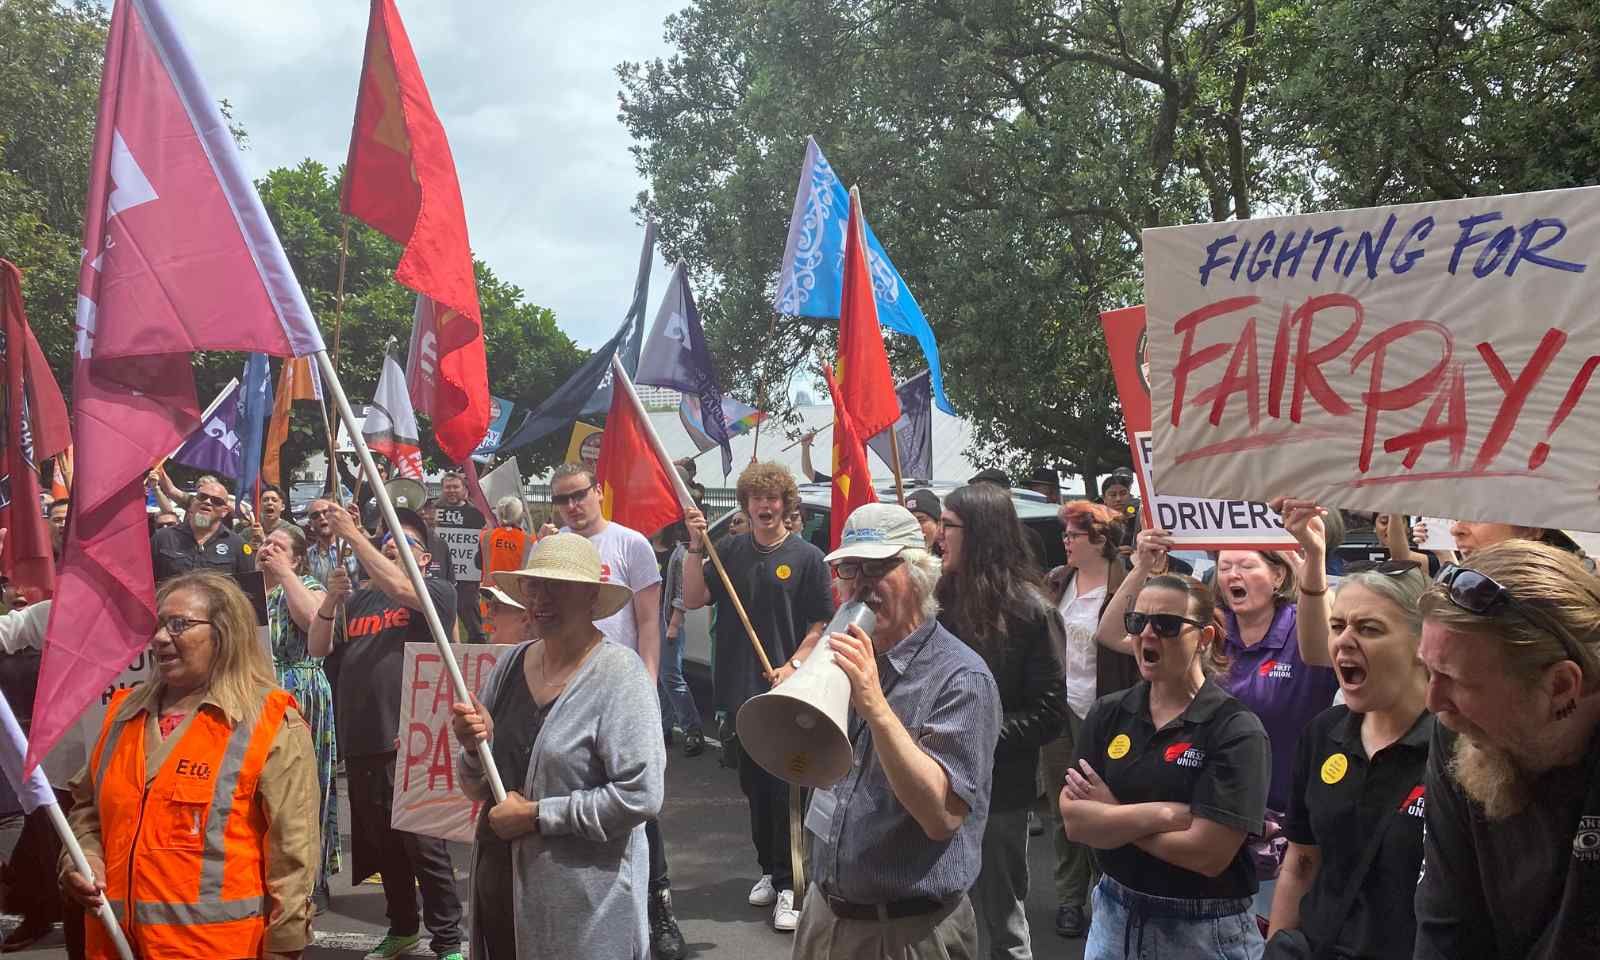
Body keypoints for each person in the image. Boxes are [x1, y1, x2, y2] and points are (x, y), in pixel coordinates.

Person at [59, 572, 319, 960]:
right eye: (159, 624)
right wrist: (83, 858)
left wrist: (284, 946)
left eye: (179, 624)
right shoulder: (121, 714)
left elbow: (293, 856)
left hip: (216, 950)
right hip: (112, 946)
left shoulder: (270, 724)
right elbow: (87, 811)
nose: (161, 637)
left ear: (225, 634)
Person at [794, 502, 1001, 959]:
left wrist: (875, 705)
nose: (860, 584)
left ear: (919, 573)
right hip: (825, 916)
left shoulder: (960, 677)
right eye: (850, 569)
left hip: (907, 933)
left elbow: (941, 816)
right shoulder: (844, 654)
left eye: (878, 567)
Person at [450, 533, 667, 960]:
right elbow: (480, 788)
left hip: (584, 921)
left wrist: (536, 816)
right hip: (501, 903)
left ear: (591, 596)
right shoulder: (510, 665)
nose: (540, 598)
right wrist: (474, 748)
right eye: (534, 585)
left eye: (557, 585)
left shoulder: (621, 676)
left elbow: (641, 795)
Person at [1060, 574, 1270, 960]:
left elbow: (1208, 854)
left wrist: (1113, 816)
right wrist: (1159, 815)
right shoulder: (1109, 712)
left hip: (1202, 930)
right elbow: (1075, 822)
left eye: (1167, 625)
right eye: (1138, 622)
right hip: (1113, 914)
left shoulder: (1236, 729)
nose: (1148, 634)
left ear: (1204, 638)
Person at [1412, 541, 1600, 959]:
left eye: (1456, 679)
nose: (1433, 703)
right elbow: (1446, 927)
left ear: (1560, 686)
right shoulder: (1460, 735)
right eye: (1428, 671)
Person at [309, 506, 465, 960]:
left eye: (406, 541)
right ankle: (401, 926)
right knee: (384, 845)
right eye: (387, 541)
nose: (393, 544)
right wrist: (330, 602)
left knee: (425, 847)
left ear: (428, 557)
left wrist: (354, 535)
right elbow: (320, 648)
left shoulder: (435, 591)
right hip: (362, 739)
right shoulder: (359, 600)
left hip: (410, 738)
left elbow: (400, 585)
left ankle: (449, 941)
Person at [683, 463, 834, 933]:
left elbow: (819, 622)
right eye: (756, 500)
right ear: (746, 505)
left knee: (786, 789)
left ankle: (793, 885)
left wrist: (793, 665)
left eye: (773, 500)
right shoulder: (727, 550)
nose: (765, 507)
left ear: (786, 505)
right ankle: (769, 869)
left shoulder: (808, 557)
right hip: (740, 687)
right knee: (752, 785)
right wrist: (693, 549)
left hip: (787, 690)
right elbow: (691, 598)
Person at [543, 463, 683, 958]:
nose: (572, 507)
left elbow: (649, 621)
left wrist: (645, 689)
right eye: (563, 500)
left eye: (579, 495)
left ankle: (658, 908)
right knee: (571, 799)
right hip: (564, 692)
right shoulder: (555, 546)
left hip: (620, 691)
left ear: (598, 491)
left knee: (640, 803)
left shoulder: (631, 545)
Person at [1265, 562, 1432, 960]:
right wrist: (1276, 944)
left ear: (1424, 642)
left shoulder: (1463, 749)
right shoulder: (1324, 733)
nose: (1343, 642)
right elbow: (1302, 860)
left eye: (1369, 629)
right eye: (1337, 626)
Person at [936, 484, 1068, 959]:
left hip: (999, 791)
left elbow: (1048, 715)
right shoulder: (938, 600)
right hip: (934, 783)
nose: (938, 538)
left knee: (1002, 922)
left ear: (981, 532)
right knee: (942, 916)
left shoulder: (1033, 611)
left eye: (948, 526)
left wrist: (969, 736)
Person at [1040, 500, 1127, 939]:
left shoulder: (1128, 582)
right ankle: (1070, 897)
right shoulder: (1057, 581)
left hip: (1108, 711)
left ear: (1100, 539)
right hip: (1060, 709)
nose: (1066, 541)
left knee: (1107, 806)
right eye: (1066, 534)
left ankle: (1107, 894)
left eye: (1074, 534)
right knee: (1064, 807)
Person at [258, 523, 340, 914]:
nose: (267, 549)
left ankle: (314, 877)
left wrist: (286, 575)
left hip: (302, 694)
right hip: (259, 694)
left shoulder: (307, 584)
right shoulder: (251, 589)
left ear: (296, 556)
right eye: (265, 542)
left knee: (308, 787)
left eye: (278, 545)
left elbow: (314, 624)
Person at [150, 475, 255, 582]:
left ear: (225, 511)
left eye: (216, 501)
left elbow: (248, 594)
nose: (208, 502)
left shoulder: (238, 546)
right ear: (192, 504)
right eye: (202, 497)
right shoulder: (163, 538)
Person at [657, 521, 705, 757]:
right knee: (658, 679)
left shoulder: (678, 554)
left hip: (667, 619)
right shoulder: (643, 547)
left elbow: (680, 593)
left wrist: (675, 623)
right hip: (647, 621)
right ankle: (663, 728)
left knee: (670, 676)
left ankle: (692, 728)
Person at [434, 469, 488, 642]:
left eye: (455, 487)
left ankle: (478, 648)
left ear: (464, 489)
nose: (451, 490)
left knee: (471, 616)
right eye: (447, 487)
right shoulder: (434, 512)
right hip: (440, 576)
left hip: (468, 578)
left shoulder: (477, 514)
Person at [303, 498, 359, 587]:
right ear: (310, 524)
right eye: (315, 515)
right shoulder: (307, 556)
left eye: (326, 512)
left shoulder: (354, 546)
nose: (322, 517)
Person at [1098, 469, 1140, 560]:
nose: (1118, 499)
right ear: (1104, 498)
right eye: (1113, 495)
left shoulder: (1138, 519)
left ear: (1130, 495)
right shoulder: (1095, 523)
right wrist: (1114, 552)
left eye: (1123, 493)